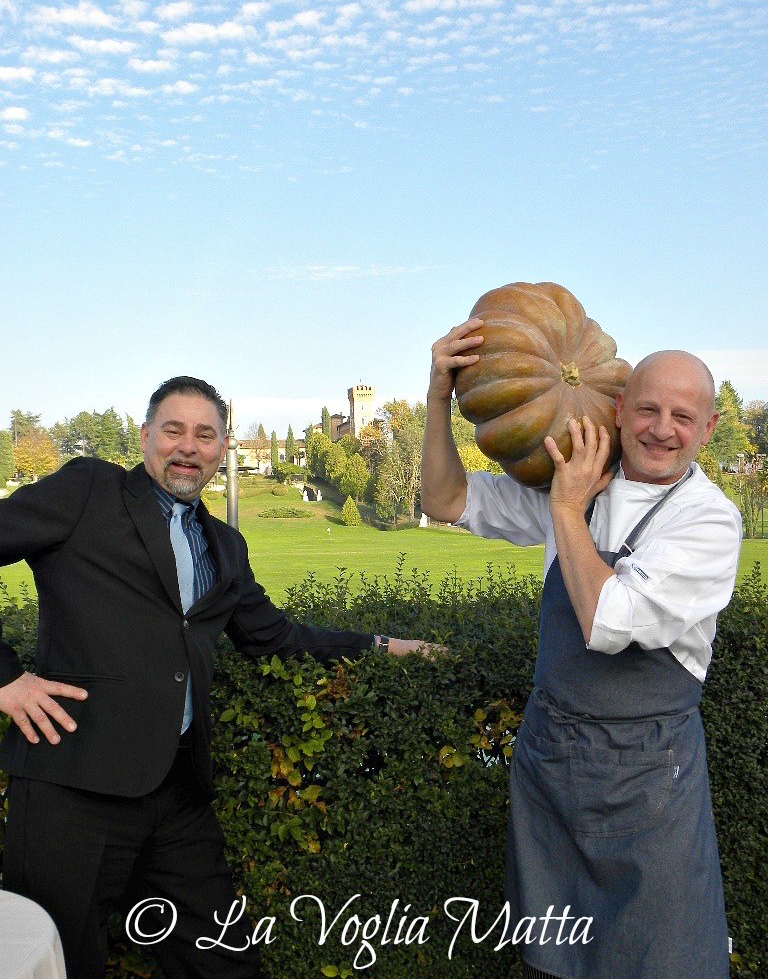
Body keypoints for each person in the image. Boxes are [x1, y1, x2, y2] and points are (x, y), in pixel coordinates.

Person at [0, 375, 433, 979]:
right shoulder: (88, 489)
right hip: (72, 784)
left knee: (225, 964)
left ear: (222, 448)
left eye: (205, 434)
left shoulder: (224, 545)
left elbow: (277, 638)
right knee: (62, 963)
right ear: (146, 435)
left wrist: (385, 645)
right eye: (173, 430)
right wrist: (5, 679)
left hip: (177, 793)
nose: (188, 446)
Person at [422, 321, 741, 979]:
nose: (661, 429)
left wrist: (566, 509)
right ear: (619, 409)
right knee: (551, 959)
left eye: (683, 417)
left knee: (661, 960)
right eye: (647, 408)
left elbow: (604, 619)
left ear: (706, 430)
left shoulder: (706, 519)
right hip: (553, 764)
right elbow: (444, 498)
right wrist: (437, 399)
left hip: (651, 784)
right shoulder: (575, 480)